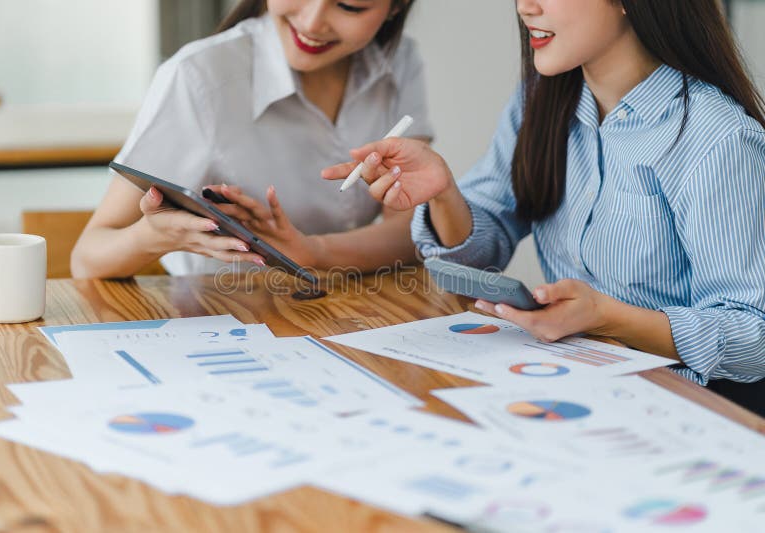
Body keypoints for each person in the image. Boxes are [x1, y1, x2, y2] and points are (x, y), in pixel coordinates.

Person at [322, 0, 765, 414]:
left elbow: (753, 337)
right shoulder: (540, 99)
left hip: (684, 408)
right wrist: (443, 193)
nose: (524, 7)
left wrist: (608, 316)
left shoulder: (717, 139)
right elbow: (482, 248)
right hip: (572, 383)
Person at [71, 0, 432, 279]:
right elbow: (87, 258)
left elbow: (410, 230)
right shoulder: (199, 76)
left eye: (350, 5)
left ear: (396, 7)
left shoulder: (399, 62)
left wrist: (312, 251)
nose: (312, 22)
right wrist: (153, 236)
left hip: (346, 310)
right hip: (225, 315)